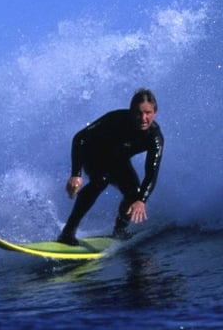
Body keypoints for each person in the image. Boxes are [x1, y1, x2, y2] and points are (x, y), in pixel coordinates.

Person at [57, 88, 164, 245]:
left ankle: (119, 232)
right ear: (131, 111)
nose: (143, 118)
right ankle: (67, 233)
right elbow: (80, 138)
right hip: (93, 154)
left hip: (118, 161)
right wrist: (76, 174)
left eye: (148, 113)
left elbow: (151, 173)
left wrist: (141, 200)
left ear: (155, 112)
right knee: (101, 180)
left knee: (134, 193)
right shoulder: (115, 119)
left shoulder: (154, 138)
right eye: (138, 113)